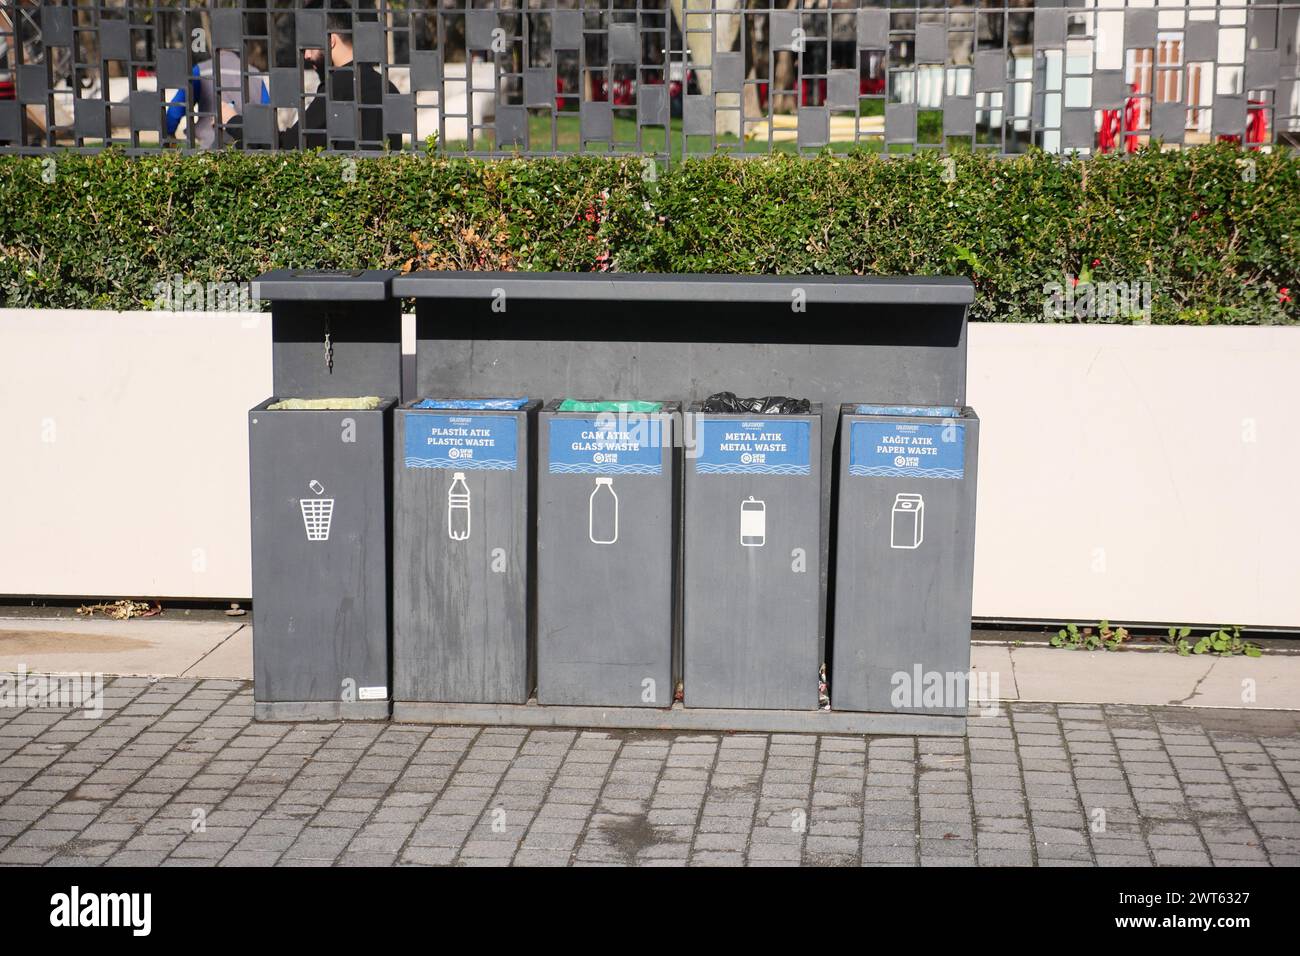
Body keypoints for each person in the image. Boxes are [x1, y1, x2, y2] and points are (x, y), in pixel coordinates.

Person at [222, 1, 400, 151]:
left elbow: (289, 146)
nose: (306, 55)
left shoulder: (340, 86)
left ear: (330, 41)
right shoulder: (388, 87)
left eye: (310, 46)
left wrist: (232, 121)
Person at [165, 50, 269, 148]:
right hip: (246, 149)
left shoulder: (201, 70)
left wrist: (169, 132)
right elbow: (266, 115)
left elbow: (177, 107)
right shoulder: (255, 73)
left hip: (210, 147)